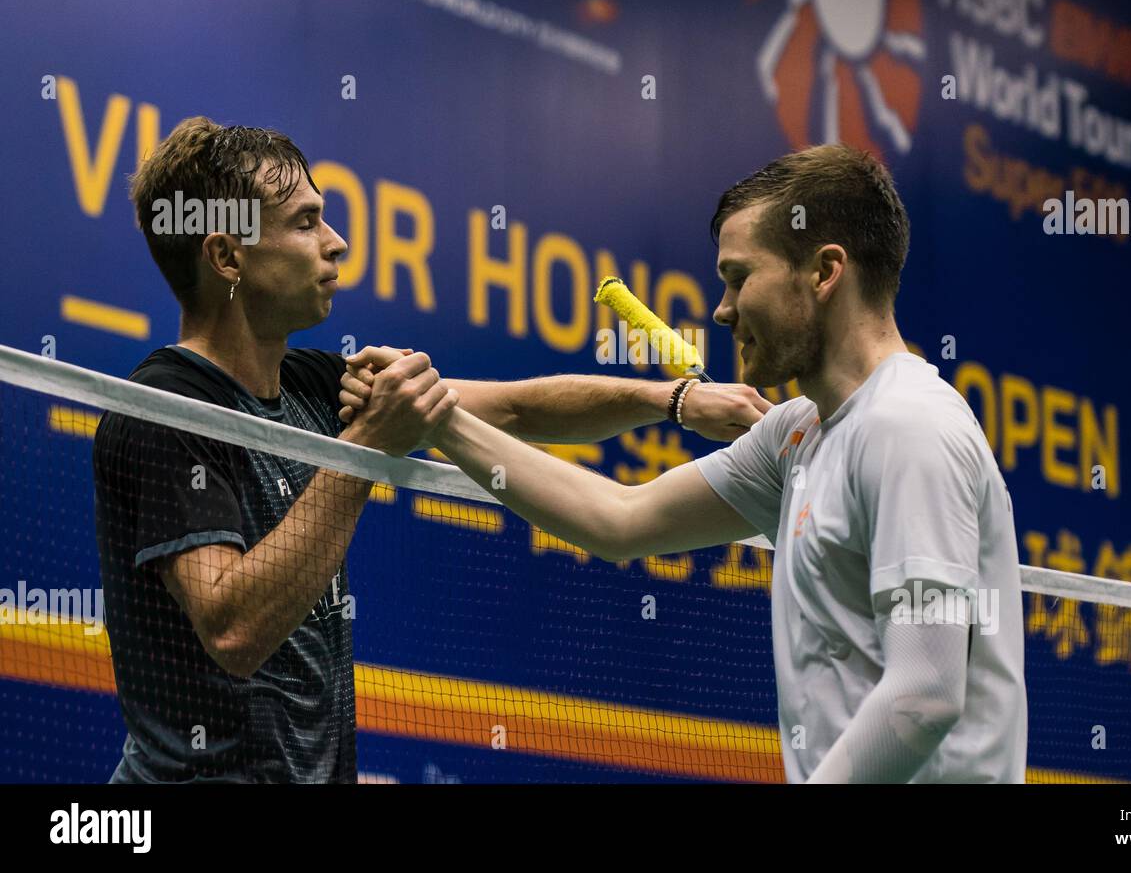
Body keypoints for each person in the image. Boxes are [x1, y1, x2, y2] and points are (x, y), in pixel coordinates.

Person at [93, 116, 770, 783]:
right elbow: (234, 632)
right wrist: (365, 449)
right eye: (305, 223)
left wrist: (673, 402)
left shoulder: (316, 385)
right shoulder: (167, 411)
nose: (337, 243)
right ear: (228, 255)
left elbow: (515, 408)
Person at [343, 143, 1029, 782]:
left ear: (824, 272)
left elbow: (925, 694)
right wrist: (438, 416)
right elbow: (620, 519)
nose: (722, 310)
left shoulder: (908, 426)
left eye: (739, 278)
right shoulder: (800, 435)